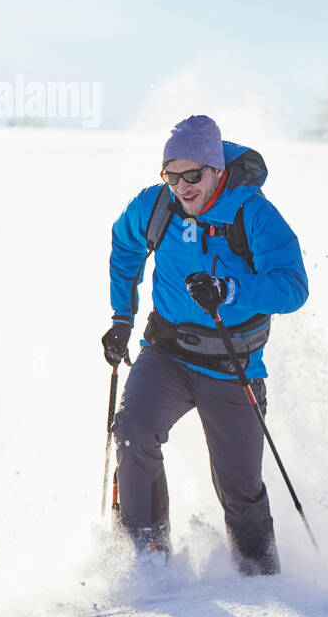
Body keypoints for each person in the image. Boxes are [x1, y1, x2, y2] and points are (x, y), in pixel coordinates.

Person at [102, 114, 309, 575]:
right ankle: (146, 555)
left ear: (217, 169)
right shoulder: (155, 207)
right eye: (172, 176)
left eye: (193, 175)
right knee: (133, 431)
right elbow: (124, 246)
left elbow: (293, 286)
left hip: (233, 364)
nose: (183, 186)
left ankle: (261, 575)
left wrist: (230, 289)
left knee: (238, 486)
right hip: (167, 353)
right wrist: (122, 316)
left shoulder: (251, 212)